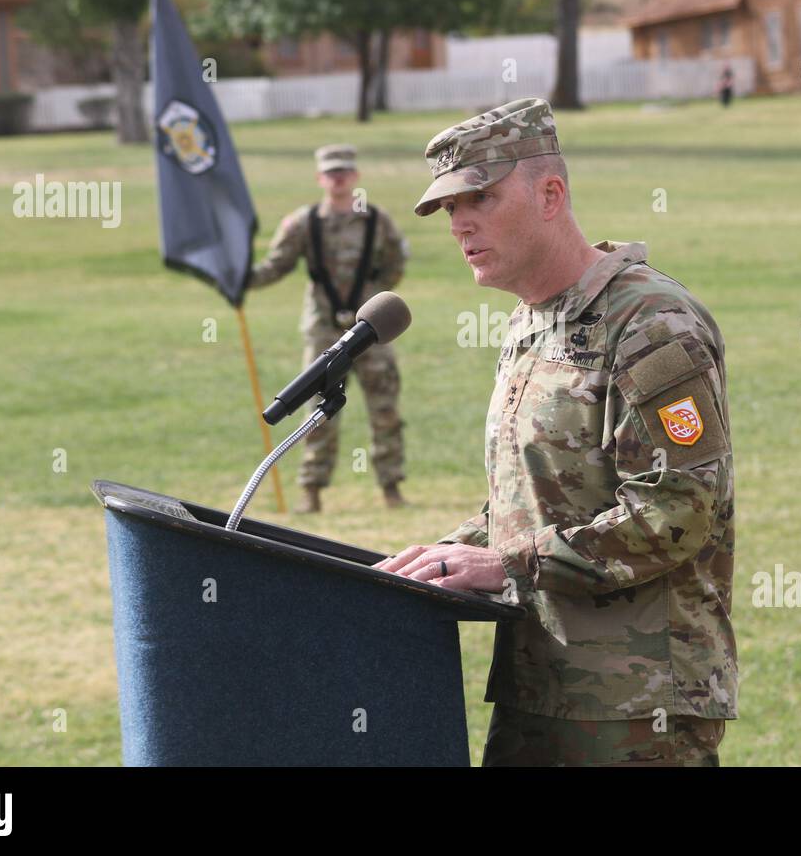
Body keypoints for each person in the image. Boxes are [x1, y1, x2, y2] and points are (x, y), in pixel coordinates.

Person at [374, 98, 738, 766]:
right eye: (449, 209)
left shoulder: (650, 324)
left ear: (550, 193)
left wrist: (510, 564)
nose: (460, 225)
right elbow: (542, 500)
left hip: (634, 705)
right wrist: (445, 555)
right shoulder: (532, 323)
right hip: (537, 684)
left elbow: (680, 509)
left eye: (478, 197)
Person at [250, 144, 408, 512]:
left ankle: (391, 485)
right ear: (320, 178)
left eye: (344, 172)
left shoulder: (376, 220)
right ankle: (312, 489)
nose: (338, 179)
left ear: (355, 177)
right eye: (331, 173)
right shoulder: (304, 222)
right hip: (322, 329)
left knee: (384, 407)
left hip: (371, 330)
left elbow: (395, 264)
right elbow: (276, 265)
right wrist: (238, 280)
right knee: (316, 411)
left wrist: (373, 298)